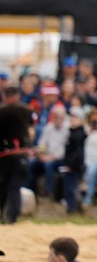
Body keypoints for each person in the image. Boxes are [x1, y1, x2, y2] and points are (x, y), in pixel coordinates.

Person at [0, 88, 34, 224]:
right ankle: (10, 218)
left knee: (7, 187)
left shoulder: (6, 111)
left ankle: (9, 218)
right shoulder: (25, 111)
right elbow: (32, 125)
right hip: (15, 155)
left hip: (9, 155)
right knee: (10, 188)